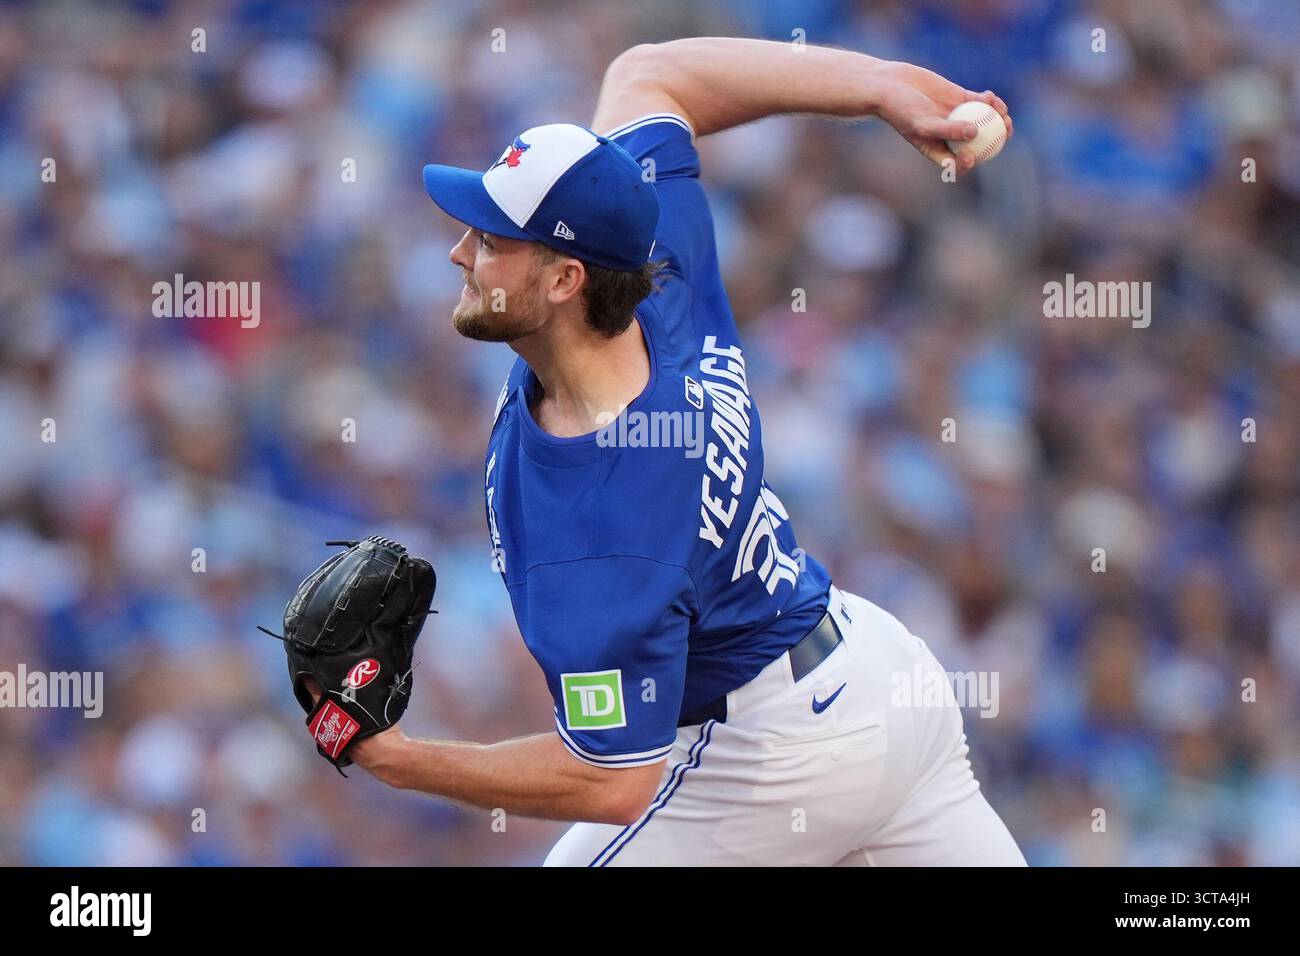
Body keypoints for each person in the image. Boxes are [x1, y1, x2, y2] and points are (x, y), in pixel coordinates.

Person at [346, 36, 1026, 866]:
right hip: (881, 678)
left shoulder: (601, 515)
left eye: (492, 240)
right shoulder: (649, 269)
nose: (460, 251)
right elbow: (652, 74)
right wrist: (880, 86)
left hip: (769, 760)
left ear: (564, 280)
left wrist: (396, 758)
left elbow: (613, 782)